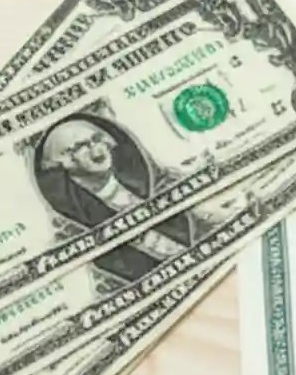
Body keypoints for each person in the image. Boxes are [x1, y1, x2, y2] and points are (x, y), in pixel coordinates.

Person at [33, 117, 199, 284]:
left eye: (97, 139)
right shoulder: (80, 218)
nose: (95, 149)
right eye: (80, 146)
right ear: (65, 162)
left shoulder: (152, 186)